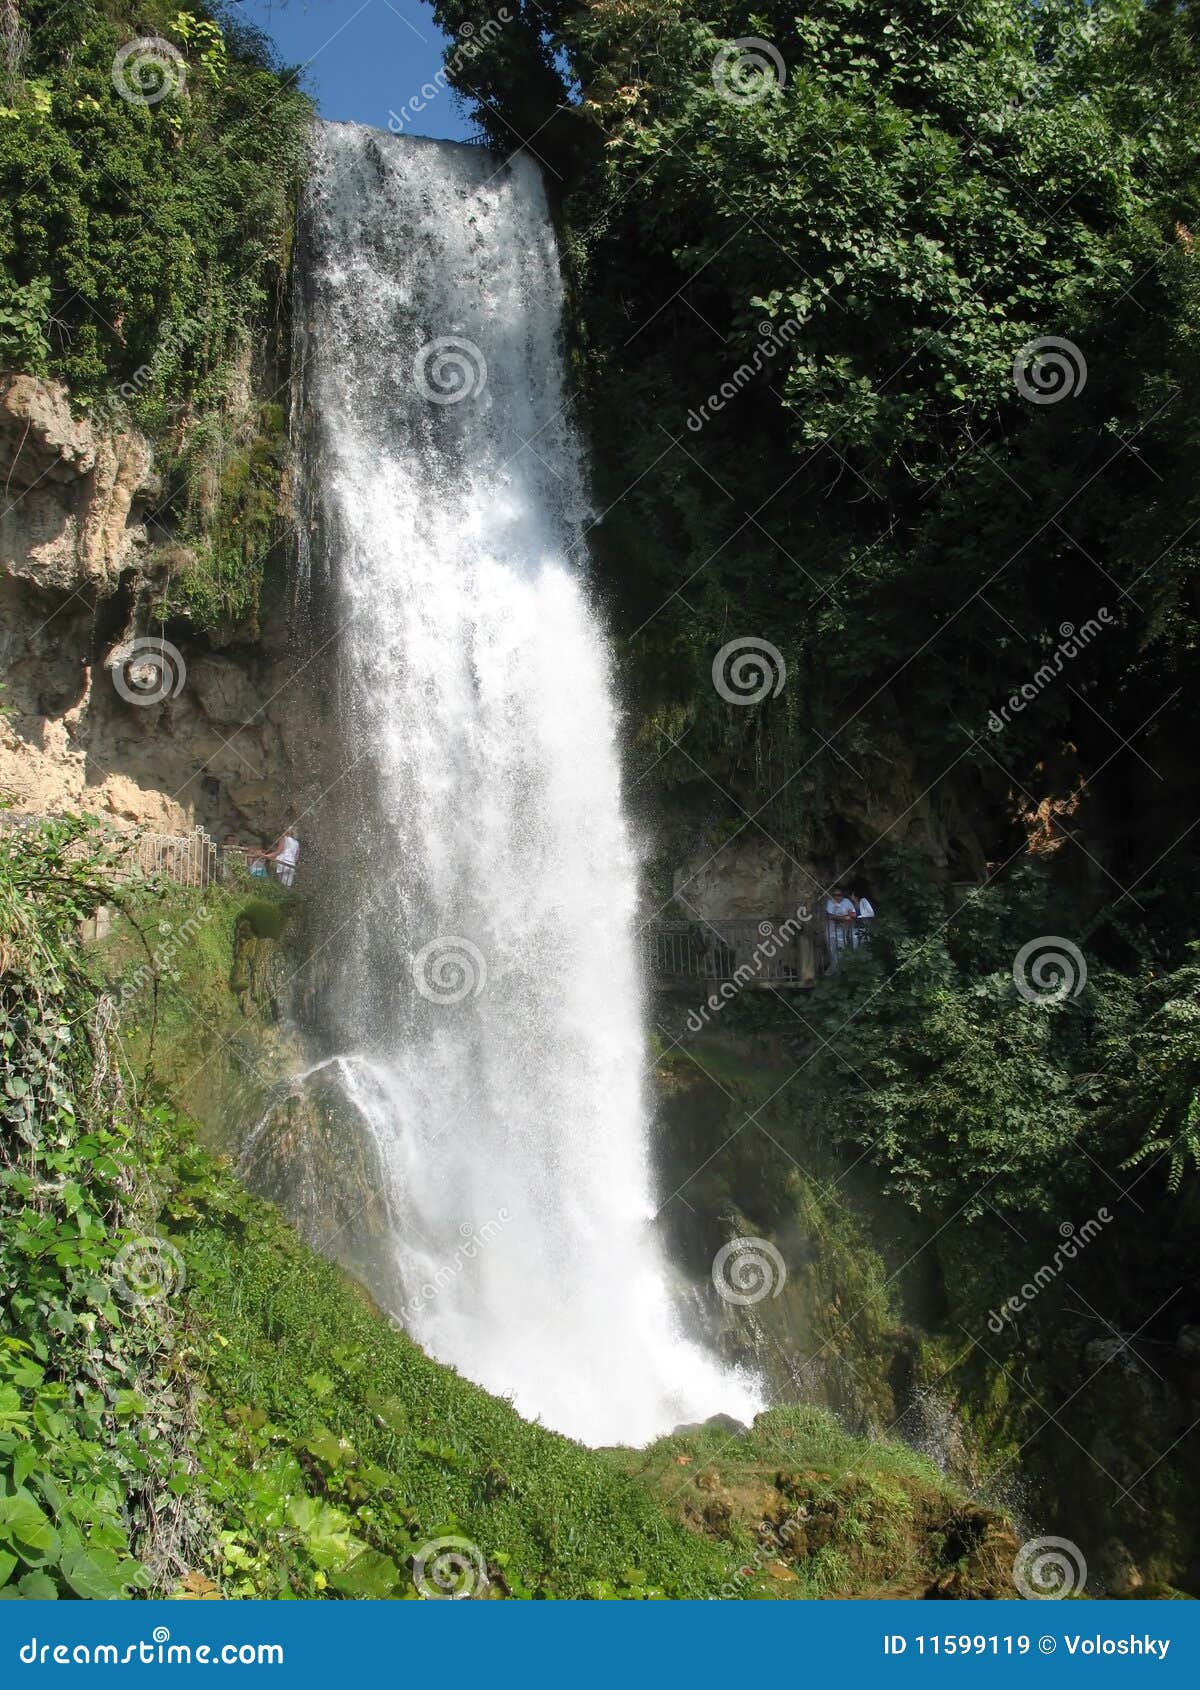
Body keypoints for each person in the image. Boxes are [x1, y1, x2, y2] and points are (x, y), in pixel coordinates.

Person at [824, 885, 857, 971]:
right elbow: (830, 916)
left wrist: (840, 917)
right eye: (834, 895)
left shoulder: (847, 902)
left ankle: (842, 971)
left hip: (842, 933)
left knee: (842, 951)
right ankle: (834, 971)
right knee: (832, 952)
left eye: (838, 895)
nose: (836, 897)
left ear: (842, 895)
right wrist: (844, 917)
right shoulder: (830, 902)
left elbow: (853, 914)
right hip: (831, 933)